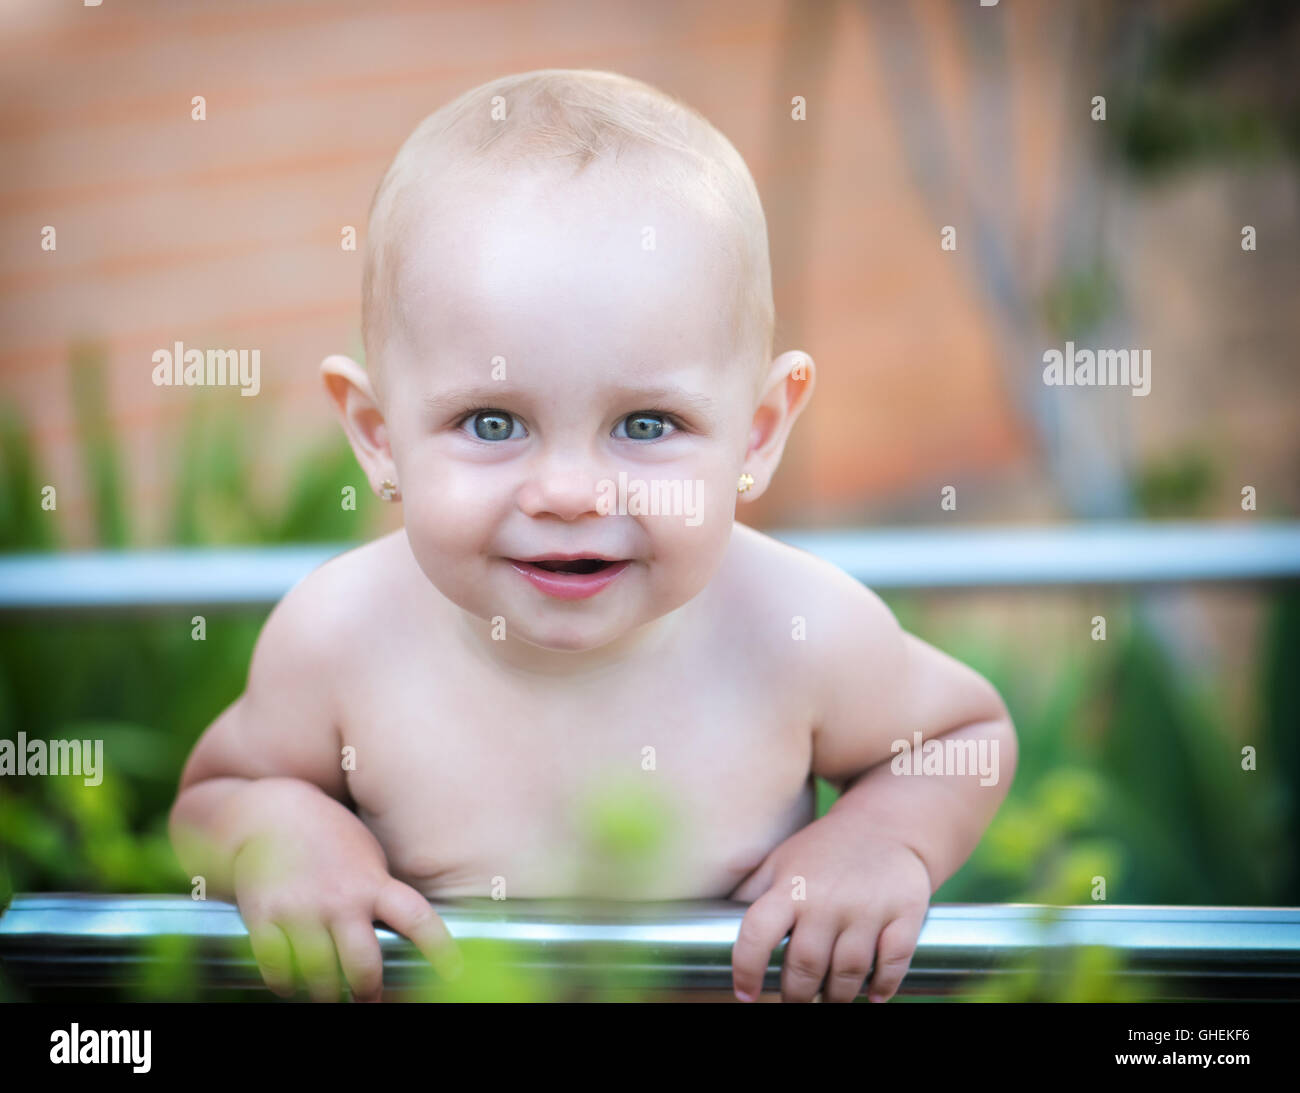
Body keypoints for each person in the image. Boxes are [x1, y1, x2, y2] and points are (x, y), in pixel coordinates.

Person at [169, 68, 1016, 1004]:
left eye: (646, 424)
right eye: (493, 422)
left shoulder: (796, 629)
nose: (570, 492)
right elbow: (212, 796)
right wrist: (284, 829)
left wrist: (882, 837)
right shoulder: (339, 637)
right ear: (379, 437)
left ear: (761, 430)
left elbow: (960, 736)